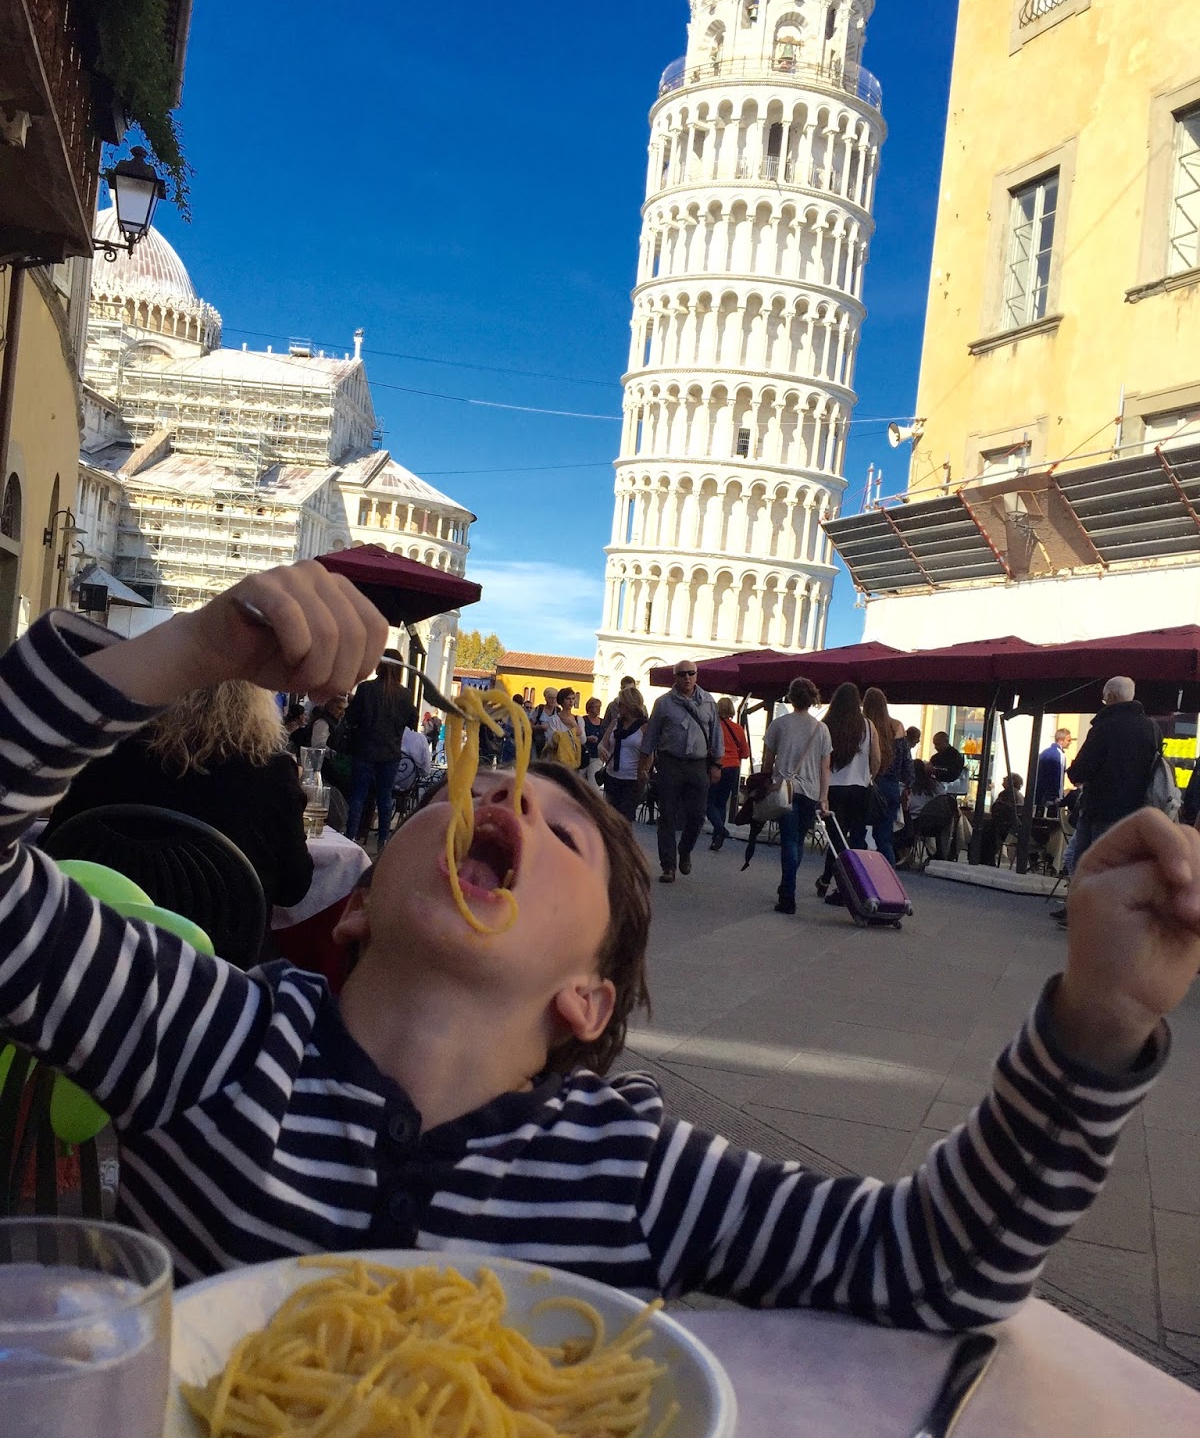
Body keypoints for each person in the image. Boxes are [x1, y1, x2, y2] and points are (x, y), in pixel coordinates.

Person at [0, 561, 1193, 1335]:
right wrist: (185, 656)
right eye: (478, 796)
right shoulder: (208, 1033)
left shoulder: (630, 1170)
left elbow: (931, 1266)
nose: (512, 806)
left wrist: (1099, 1022)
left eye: (565, 827)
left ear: (587, 996)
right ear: (355, 902)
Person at [42, 678, 313, 925]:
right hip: (220, 962)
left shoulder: (103, 756)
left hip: (99, 946)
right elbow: (293, 889)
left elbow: (52, 852)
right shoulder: (271, 774)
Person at [638, 660, 722, 884]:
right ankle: (668, 866)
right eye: (683, 674)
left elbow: (716, 735)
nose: (687, 678)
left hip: (697, 764)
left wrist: (717, 765)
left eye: (691, 673)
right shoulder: (663, 703)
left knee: (697, 815)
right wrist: (643, 766)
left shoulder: (708, 702)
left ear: (696, 675)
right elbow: (651, 736)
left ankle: (684, 850)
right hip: (670, 763)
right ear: (675, 677)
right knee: (666, 815)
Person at [1067, 678, 1160, 862]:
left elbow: (1080, 771)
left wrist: (1073, 772)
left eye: (1104, 699)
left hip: (1101, 811)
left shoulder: (1104, 727)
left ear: (1111, 696)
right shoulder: (1153, 729)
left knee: (1085, 867)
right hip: (1137, 813)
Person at [761, 677, 831, 913]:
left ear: (791, 697)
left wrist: (764, 783)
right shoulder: (821, 729)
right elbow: (825, 768)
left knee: (789, 840)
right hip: (810, 793)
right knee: (798, 840)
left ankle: (787, 893)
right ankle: (786, 886)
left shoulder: (779, 725)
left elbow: (767, 762)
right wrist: (824, 797)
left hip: (785, 790)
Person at [343, 650, 418, 849]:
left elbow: (351, 718)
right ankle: (383, 839)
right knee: (384, 797)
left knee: (358, 795)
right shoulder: (405, 694)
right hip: (390, 753)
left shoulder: (366, 689)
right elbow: (412, 722)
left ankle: (351, 836)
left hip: (364, 750)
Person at [815, 682, 880, 900]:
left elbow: (818, 759)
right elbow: (877, 758)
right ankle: (852, 885)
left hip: (832, 788)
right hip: (860, 789)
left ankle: (827, 879)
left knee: (836, 838)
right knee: (856, 839)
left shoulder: (826, 725)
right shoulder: (868, 726)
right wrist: (869, 776)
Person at [863, 686, 911, 867]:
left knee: (858, 833)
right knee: (884, 839)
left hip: (867, 784)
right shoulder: (897, 726)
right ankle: (889, 880)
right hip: (891, 786)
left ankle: (860, 876)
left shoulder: (864, 726)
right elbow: (907, 762)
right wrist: (908, 786)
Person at [597, 685, 647, 821]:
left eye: (620, 704)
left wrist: (643, 772)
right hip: (612, 776)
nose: (617, 707)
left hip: (632, 779)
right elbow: (603, 743)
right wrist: (601, 748)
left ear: (630, 705)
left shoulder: (644, 727)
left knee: (625, 819)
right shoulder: (615, 723)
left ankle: (623, 842)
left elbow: (649, 753)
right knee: (610, 817)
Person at [707, 697, 751, 851]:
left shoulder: (713, 727)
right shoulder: (738, 729)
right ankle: (716, 837)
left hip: (716, 766)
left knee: (709, 802)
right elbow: (745, 753)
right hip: (733, 768)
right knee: (721, 802)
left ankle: (720, 829)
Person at [980, 774, 1024, 868]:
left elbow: (999, 809)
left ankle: (985, 857)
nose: (1003, 781)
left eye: (1005, 780)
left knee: (986, 829)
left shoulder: (1007, 794)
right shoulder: (1019, 795)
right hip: (1011, 828)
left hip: (1005, 828)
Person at [1036, 728, 1074, 809]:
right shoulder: (1059, 755)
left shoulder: (1044, 753)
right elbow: (1059, 778)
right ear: (1060, 740)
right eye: (1068, 740)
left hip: (1040, 796)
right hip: (1052, 798)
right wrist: (1059, 798)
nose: (1070, 743)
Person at [529, 687, 560, 757]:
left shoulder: (558, 711)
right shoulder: (539, 709)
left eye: (554, 698)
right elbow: (529, 725)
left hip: (552, 744)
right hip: (537, 742)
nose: (553, 700)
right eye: (550, 698)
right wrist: (540, 727)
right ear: (546, 698)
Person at [580, 697, 605, 782]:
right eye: (596, 707)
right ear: (589, 708)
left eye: (599, 707)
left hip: (596, 756)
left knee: (593, 781)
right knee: (580, 780)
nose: (598, 709)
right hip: (583, 755)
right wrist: (587, 738)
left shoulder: (603, 722)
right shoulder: (583, 720)